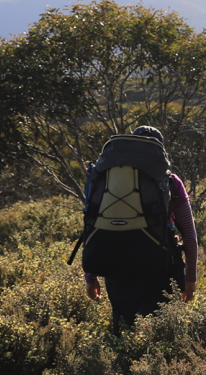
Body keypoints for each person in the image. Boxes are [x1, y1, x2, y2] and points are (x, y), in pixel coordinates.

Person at [83, 126, 199, 332]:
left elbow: (91, 227)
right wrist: (190, 279)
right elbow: (188, 234)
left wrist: (90, 278)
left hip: (114, 266)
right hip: (159, 267)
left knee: (123, 333)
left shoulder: (105, 179)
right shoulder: (170, 182)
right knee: (158, 335)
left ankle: (121, 363)